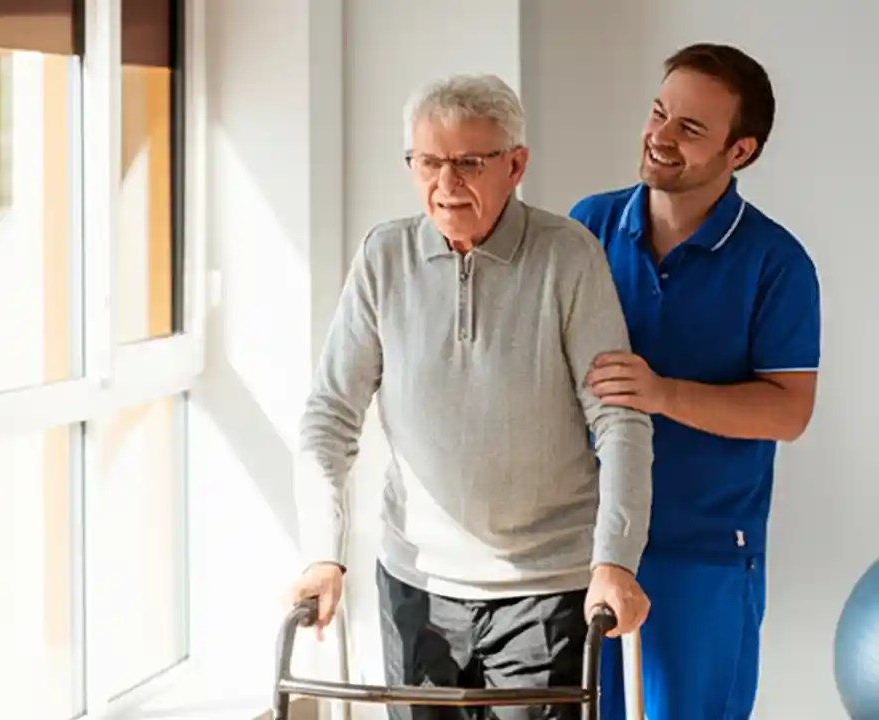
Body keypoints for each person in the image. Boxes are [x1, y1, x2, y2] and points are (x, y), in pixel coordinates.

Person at [287, 74, 654, 720]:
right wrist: (324, 551)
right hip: (416, 589)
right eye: (428, 162)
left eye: (468, 163)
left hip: (546, 588)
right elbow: (330, 417)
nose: (446, 183)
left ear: (516, 166)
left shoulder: (568, 257)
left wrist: (614, 560)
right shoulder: (384, 257)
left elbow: (620, 421)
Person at [568, 43, 821, 719]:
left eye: (690, 129)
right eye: (659, 113)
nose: (660, 137)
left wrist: (660, 394)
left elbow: (789, 412)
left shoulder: (777, 263)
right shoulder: (585, 227)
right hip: (582, 550)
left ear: (740, 151)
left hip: (703, 556)